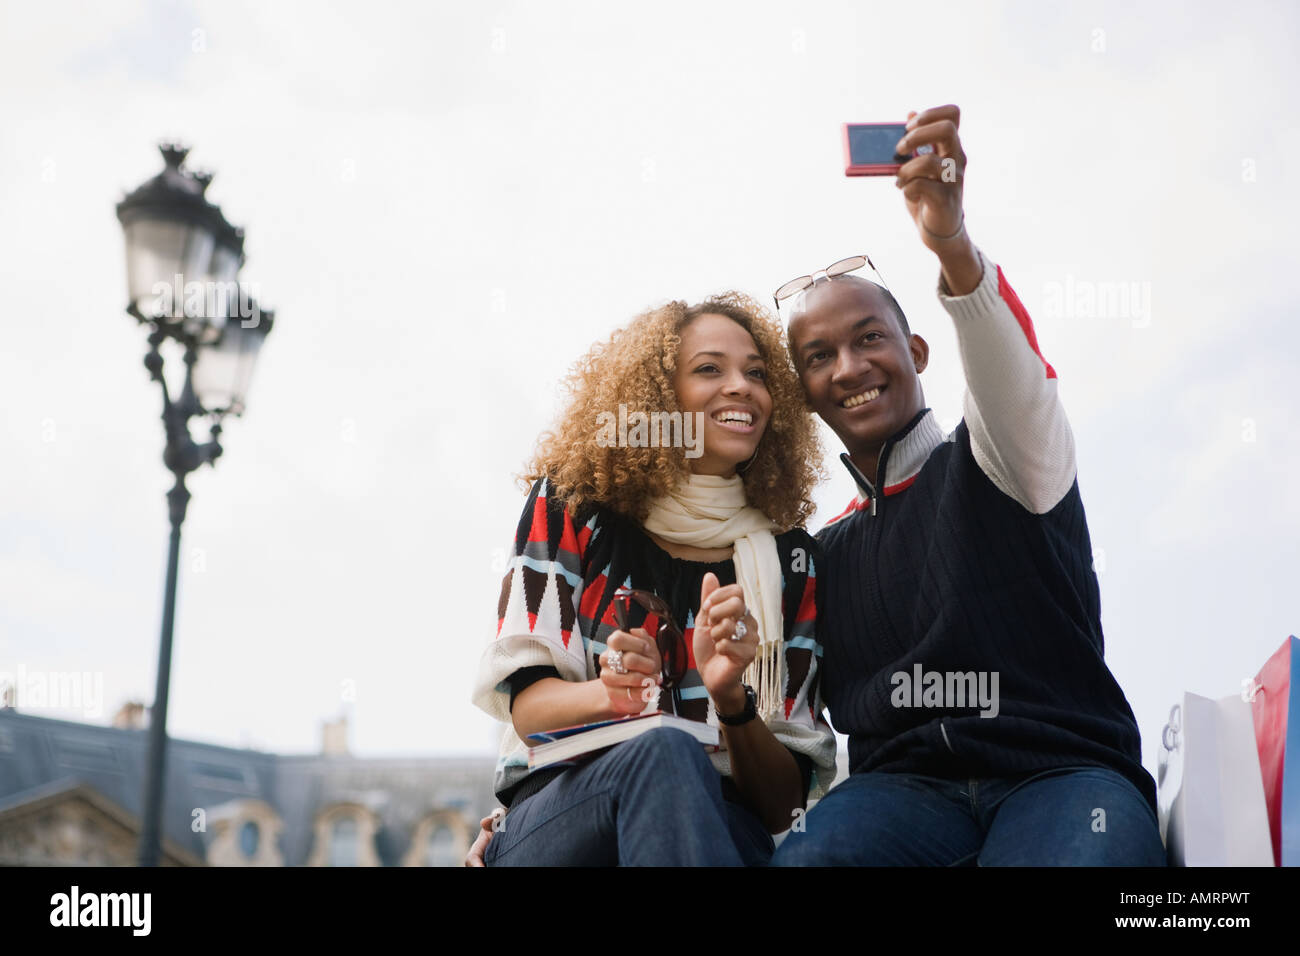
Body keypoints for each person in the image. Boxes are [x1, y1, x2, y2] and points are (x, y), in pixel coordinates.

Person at [770, 105, 1166, 866]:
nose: (849, 367)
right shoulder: (819, 555)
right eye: (820, 357)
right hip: (899, 797)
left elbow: (1012, 378)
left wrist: (950, 242)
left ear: (917, 349)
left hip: (1060, 776)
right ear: (806, 393)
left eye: (869, 339)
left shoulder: (1004, 456)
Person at [468, 292, 837, 866]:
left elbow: (782, 807)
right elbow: (528, 707)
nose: (741, 386)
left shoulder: (791, 561)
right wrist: (608, 695)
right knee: (664, 751)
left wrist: (732, 700)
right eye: (709, 369)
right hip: (564, 812)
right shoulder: (571, 509)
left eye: (757, 373)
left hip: (718, 821)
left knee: (680, 770)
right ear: (659, 397)